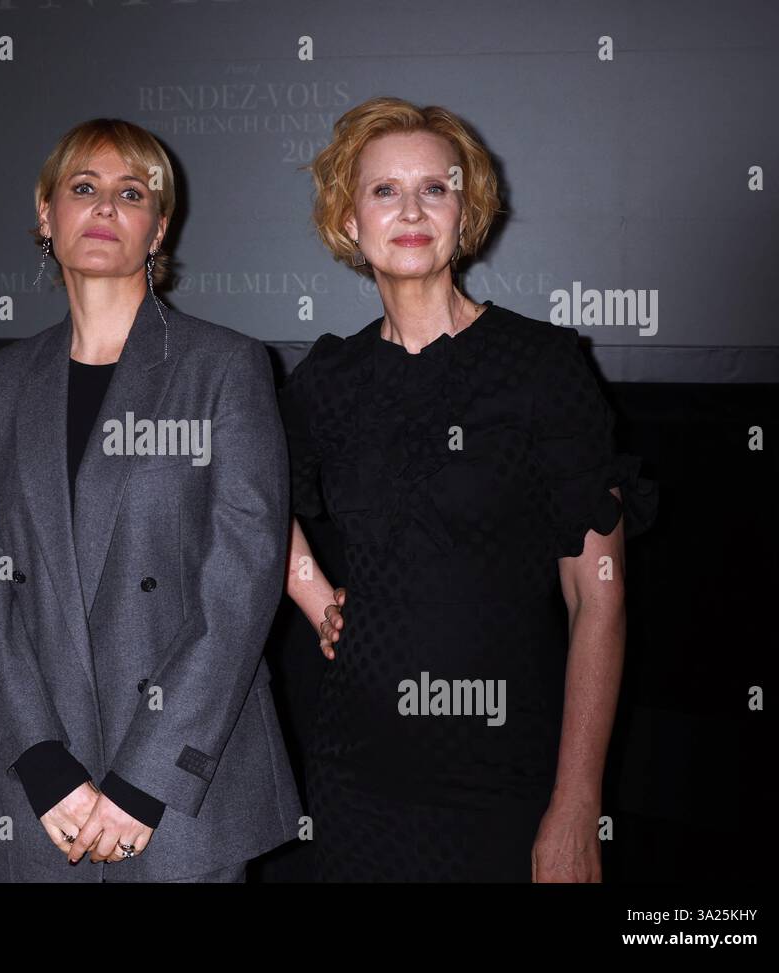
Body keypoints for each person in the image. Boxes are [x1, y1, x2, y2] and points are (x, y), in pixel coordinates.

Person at [281, 97, 658, 881]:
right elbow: (247, 501)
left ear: (467, 210)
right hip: (356, 778)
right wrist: (317, 596)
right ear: (349, 221)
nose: (411, 209)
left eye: (436, 188)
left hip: (507, 779)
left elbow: (599, 600)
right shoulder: (329, 380)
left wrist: (578, 802)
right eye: (383, 190)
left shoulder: (541, 368)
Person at [0, 118, 303, 882]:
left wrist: (145, 780)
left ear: (158, 227)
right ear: (46, 216)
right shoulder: (3, 385)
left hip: (178, 792)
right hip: (37, 793)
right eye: (84, 188)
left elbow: (238, 587)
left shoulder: (225, 367)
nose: (105, 206)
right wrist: (43, 761)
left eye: (130, 192)